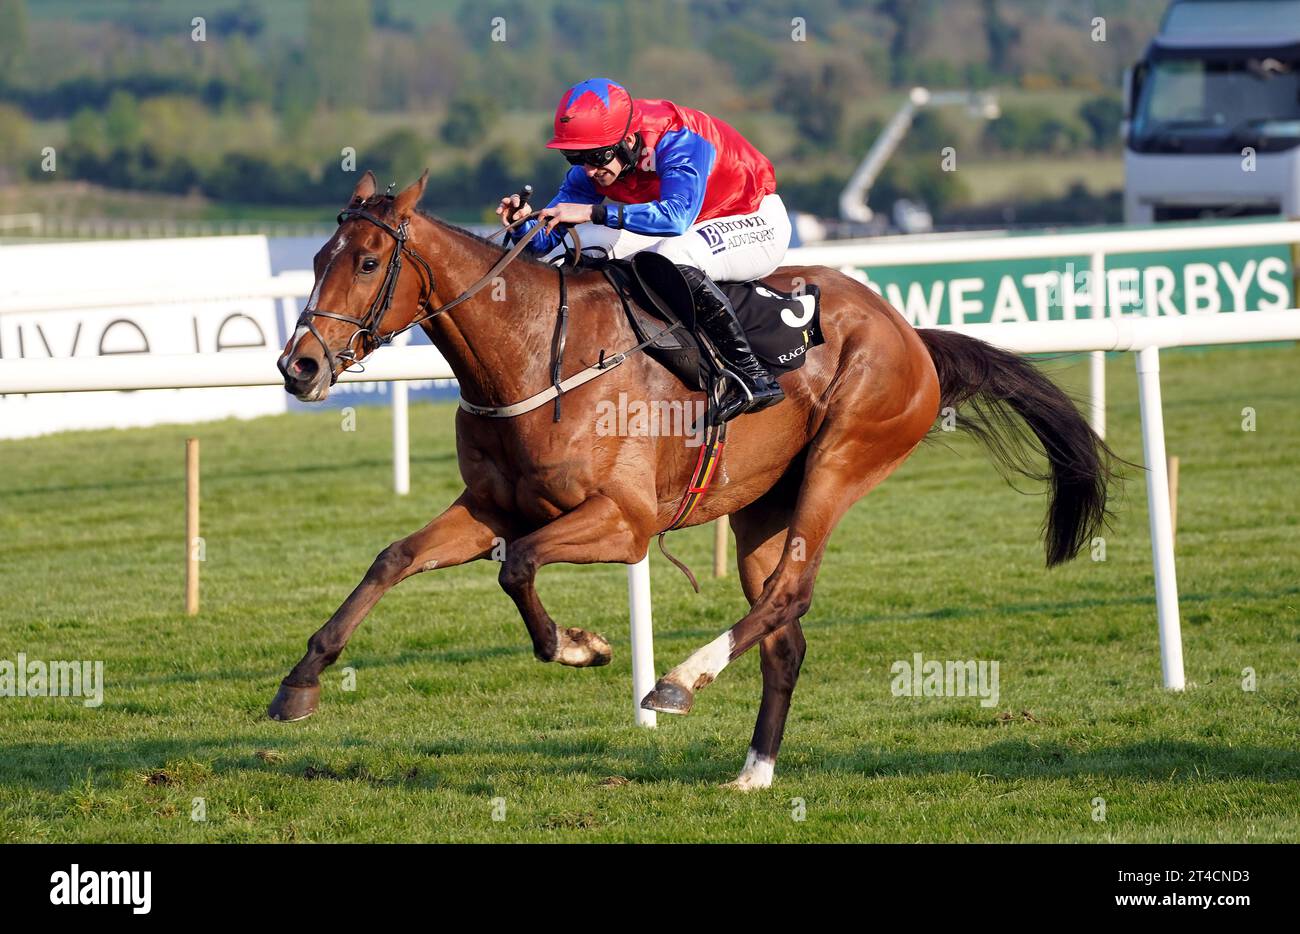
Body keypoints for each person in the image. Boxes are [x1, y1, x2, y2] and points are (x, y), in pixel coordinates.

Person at [496, 77, 791, 422]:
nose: (588, 169)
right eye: (574, 157)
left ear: (628, 140)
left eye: (595, 157)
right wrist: (523, 224)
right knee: (588, 242)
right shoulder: (595, 164)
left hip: (752, 217)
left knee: (674, 254)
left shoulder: (678, 137)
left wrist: (594, 212)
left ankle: (753, 376)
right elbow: (545, 242)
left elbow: (676, 218)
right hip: (691, 225)